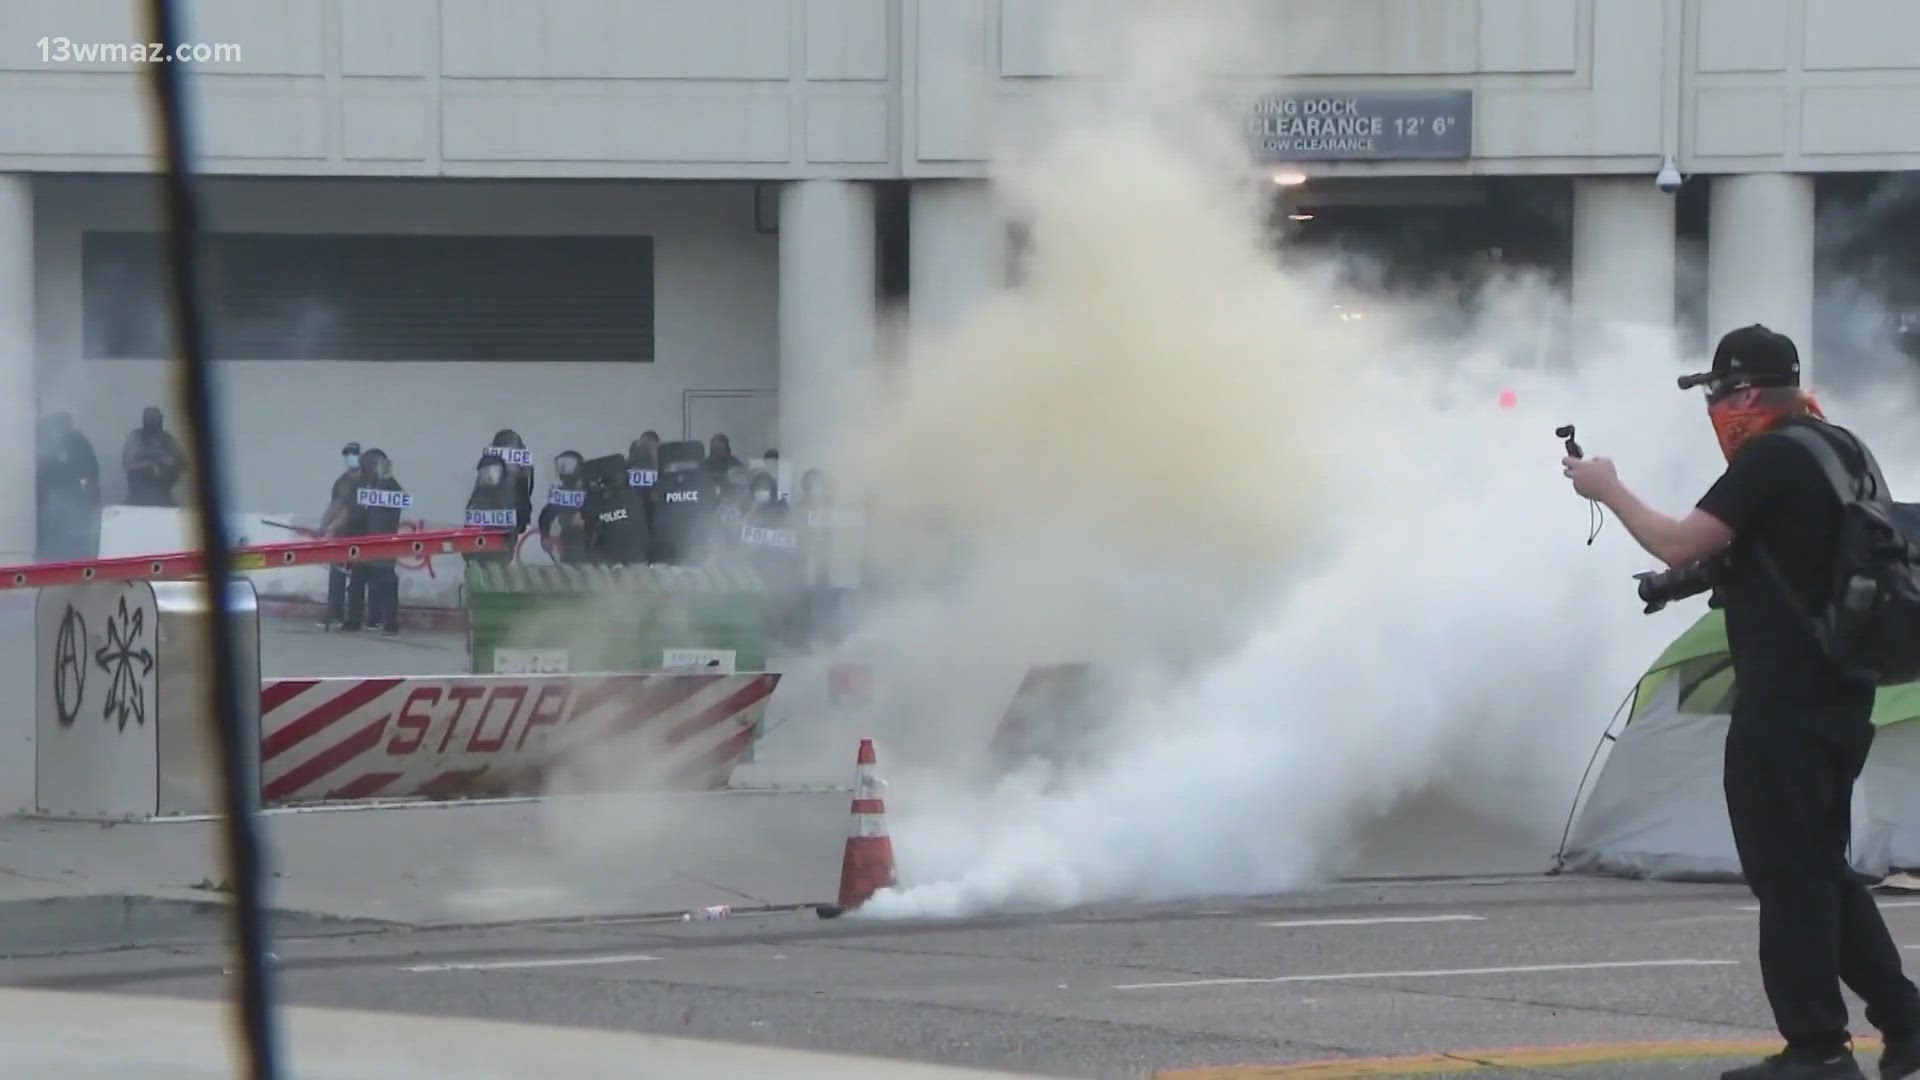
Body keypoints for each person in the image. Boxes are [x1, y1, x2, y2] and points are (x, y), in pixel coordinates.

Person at [1563, 324, 1920, 1080]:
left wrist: (1607, 488)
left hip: (1786, 701)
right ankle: (1908, 1022)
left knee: (1788, 877)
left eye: (1719, 394)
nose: (1716, 408)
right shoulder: (1843, 448)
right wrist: (1686, 587)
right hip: (1846, 691)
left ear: (1746, 393)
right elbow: (1789, 551)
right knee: (1819, 868)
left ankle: (1818, 1050)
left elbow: (1678, 540)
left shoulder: (1768, 458)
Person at [341, 448, 407, 635]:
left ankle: (389, 624)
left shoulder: (391, 486)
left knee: (386, 585)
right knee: (356, 585)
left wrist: (386, 480)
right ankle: (354, 621)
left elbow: (397, 505)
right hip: (364, 543)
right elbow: (354, 511)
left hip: (383, 544)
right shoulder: (362, 486)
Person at [36, 412, 99, 562]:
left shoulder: (77, 441)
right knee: (56, 532)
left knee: (76, 533)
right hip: (55, 495)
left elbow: (90, 469)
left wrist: (86, 489)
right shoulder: (50, 442)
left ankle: (77, 561)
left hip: (72, 495)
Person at [318, 441, 363, 630]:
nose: (349, 458)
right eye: (346, 455)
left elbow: (349, 511)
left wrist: (332, 527)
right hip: (341, 537)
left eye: (353, 454)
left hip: (360, 534)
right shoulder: (342, 481)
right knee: (336, 576)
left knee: (358, 580)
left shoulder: (366, 481)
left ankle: (355, 619)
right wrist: (323, 526)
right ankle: (334, 615)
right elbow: (335, 505)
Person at [121, 406, 185, 507]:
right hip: (139, 496)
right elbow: (127, 464)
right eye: (151, 418)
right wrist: (151, 464)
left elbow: (181, 463)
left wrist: (168, 463)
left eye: (156, 418)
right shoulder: (136, 437)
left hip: (164, 495)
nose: (155, 421)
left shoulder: (168, 439)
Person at [463, 452, 519, 566]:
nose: (489, 475)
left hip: (500, 552)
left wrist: (508, 544)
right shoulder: (477, 496)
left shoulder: (507, 495)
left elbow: (512, 528)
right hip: (478, 552)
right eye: (485, 471)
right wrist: (468, 553)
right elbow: (468, 527)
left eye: (494, 471)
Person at [537, 450, 590, 564]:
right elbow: (546, 516)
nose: (565, 470)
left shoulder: (590, 491)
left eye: (569, 466)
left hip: (589, 539)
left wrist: (585, 518)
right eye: (562, 466)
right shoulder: (561, 494)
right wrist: (545, 536)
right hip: (568, 539)